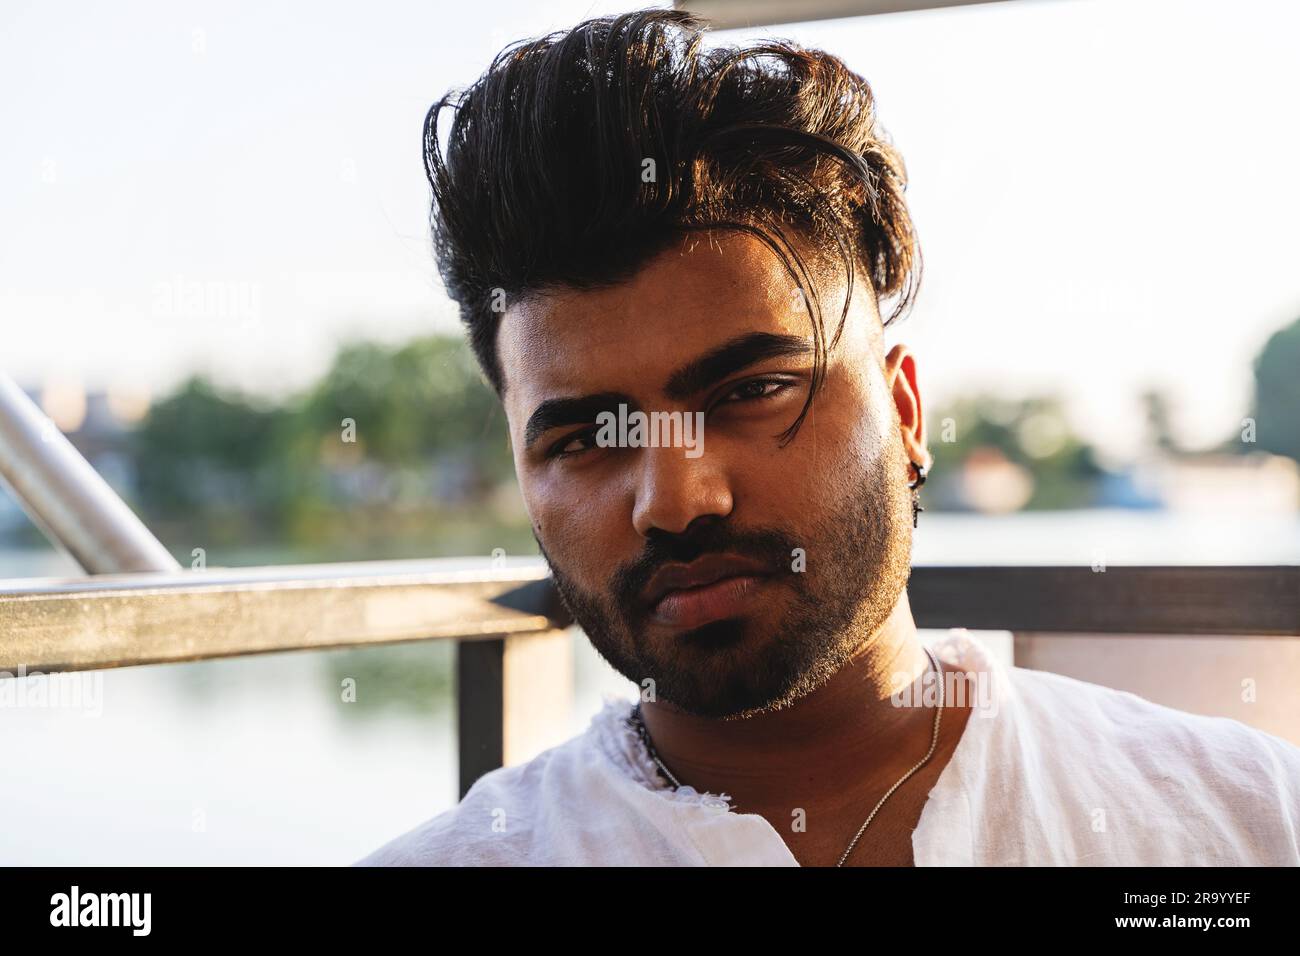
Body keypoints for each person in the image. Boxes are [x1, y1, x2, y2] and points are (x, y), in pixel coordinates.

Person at [356, 9, 1300, 866]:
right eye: (586, 439)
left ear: (905, 413)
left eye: (752, 390)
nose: (677, 500)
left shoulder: (1244, 821)